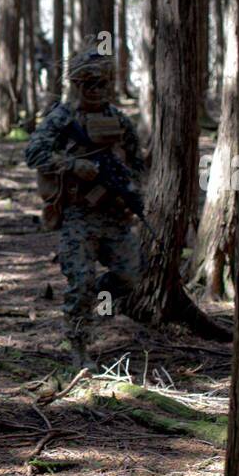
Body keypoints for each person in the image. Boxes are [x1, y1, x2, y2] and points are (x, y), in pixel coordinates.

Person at [24, 43, 145, 370]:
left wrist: (128, 190)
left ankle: (98, 294)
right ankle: (79, 348)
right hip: (77, 215)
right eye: (87, 84)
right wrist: (72, 165)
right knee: (80, 282)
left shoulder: (119, 120)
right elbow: (33, 153)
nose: (95, 90)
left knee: (132, 276)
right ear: (76, 85)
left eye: (101, 83)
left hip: (114, 216)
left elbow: (137, 162)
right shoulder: (63, 118)